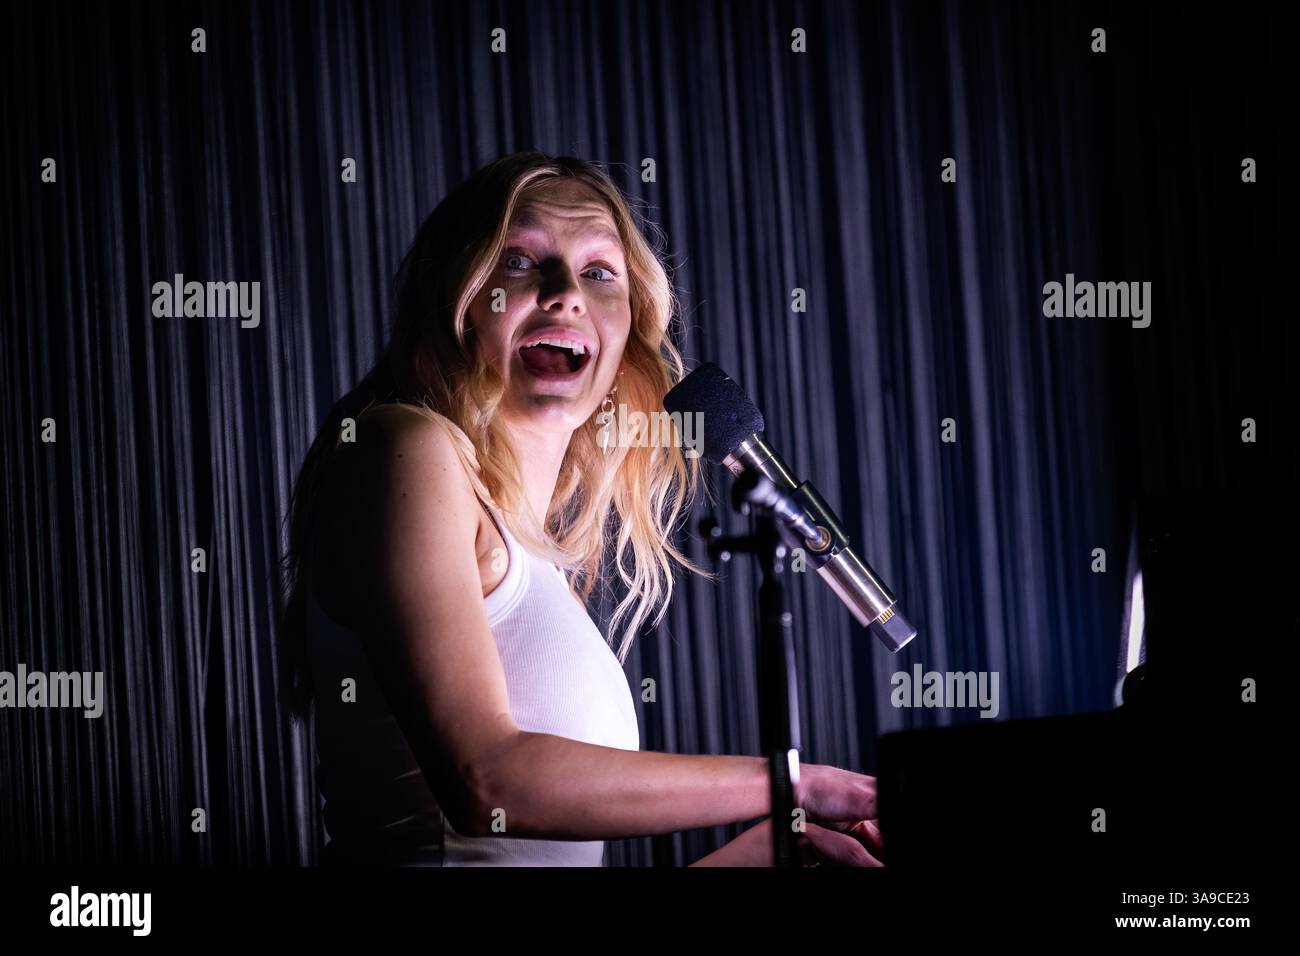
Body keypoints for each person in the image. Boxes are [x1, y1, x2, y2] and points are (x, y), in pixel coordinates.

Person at [277, 151, 882, 866]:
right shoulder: (405, 445)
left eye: (599, 272)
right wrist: (792, 786)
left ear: (628, 332)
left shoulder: (540, 560)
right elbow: (487, 781)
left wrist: (776, 848)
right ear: (458, 299)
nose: (565, 292)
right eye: (521, 260)